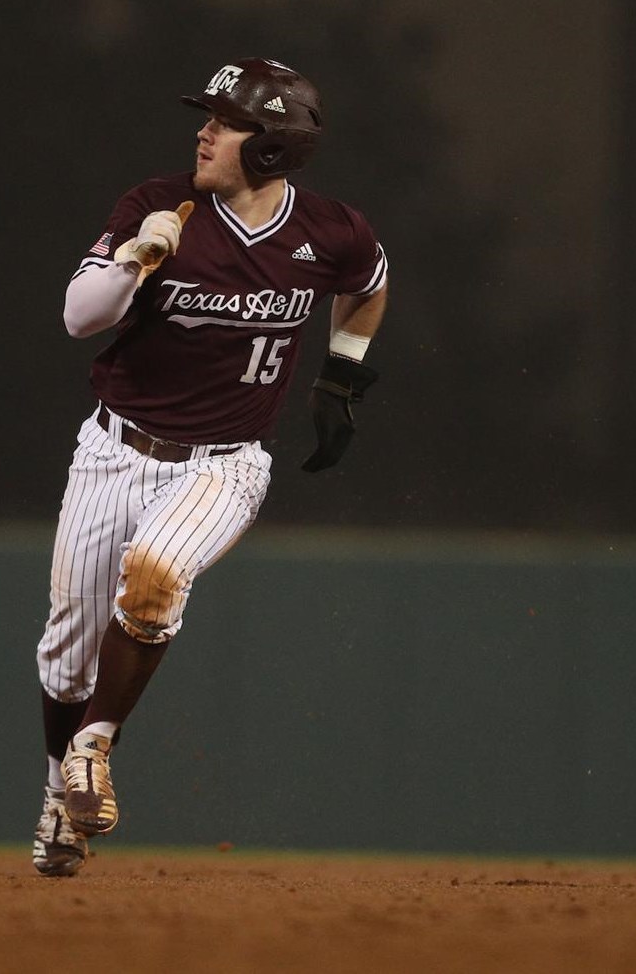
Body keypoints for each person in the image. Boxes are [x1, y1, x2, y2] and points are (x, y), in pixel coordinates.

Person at [31, 58, 390, 877]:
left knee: (155, 577)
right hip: (111, 451)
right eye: (209, 118)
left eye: (226, 123)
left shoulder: (330, 231)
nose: (205, 131)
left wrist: (342, 374)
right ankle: (61, 795)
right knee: (64, 656)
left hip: (223, 466)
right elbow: (76, 318)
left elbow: (369, 284)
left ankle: (94, 744)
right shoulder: (161, 206)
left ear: (271, 149)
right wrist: (136, 257)